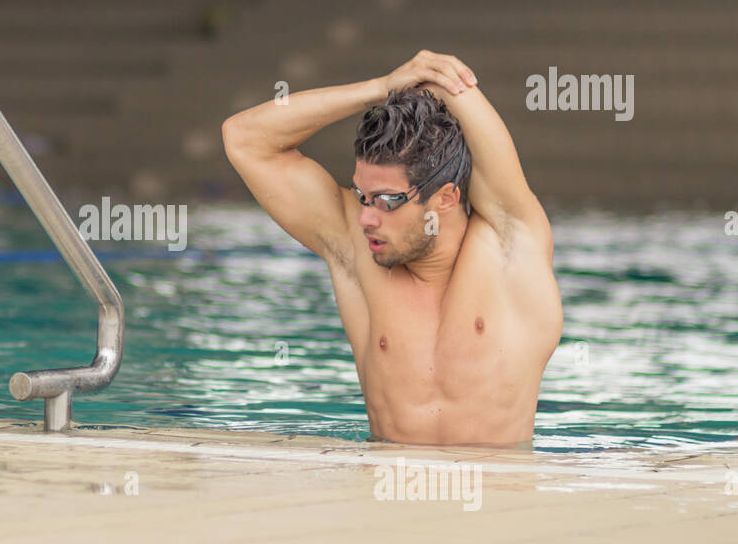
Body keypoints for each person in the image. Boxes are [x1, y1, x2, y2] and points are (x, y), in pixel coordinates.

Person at [222, 50, 562, 445]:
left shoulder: (510, 249)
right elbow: (243, 139)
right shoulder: (356, 251)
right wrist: (380, 88)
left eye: (387, 200)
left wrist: (441, 81)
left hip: (499, 500)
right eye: (363, 197)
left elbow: (464, 100)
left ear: (446, 200)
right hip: (385, 495)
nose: (367, 217)